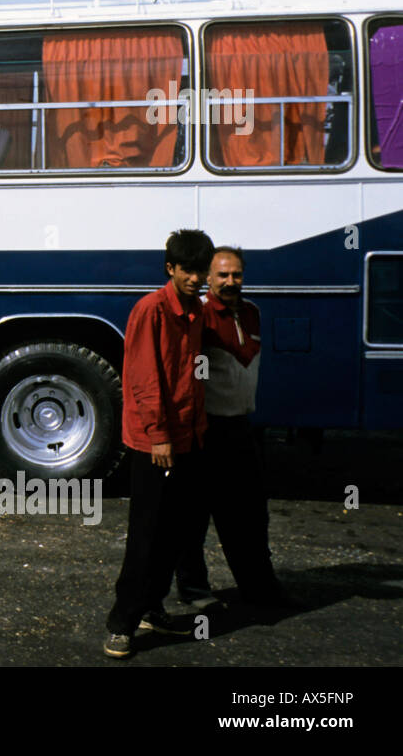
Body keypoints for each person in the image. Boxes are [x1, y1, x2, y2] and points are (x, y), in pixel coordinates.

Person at [103, 229, 213, 659]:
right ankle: (121, 622)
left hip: (188, 436)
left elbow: (194, 373)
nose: (195, 278)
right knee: (146, 535)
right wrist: (160, 436)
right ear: (170, 268)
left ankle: (153, 607)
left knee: (176, 531)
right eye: (188, 270)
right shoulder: (151, 310)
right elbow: (145, 379)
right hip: (156, 441)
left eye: (201, 270)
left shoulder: (197, 310)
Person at [174, 247, 291, 608]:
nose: (230, 281)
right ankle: (194, 591)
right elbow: (191, 369)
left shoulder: (253, 312)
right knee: (194, 514)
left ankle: (260, 590)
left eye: (236, 274)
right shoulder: (200, 315)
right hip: (207, 429)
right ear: (208, 278)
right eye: (222, 275)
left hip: (242, 426)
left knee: (252, 514)